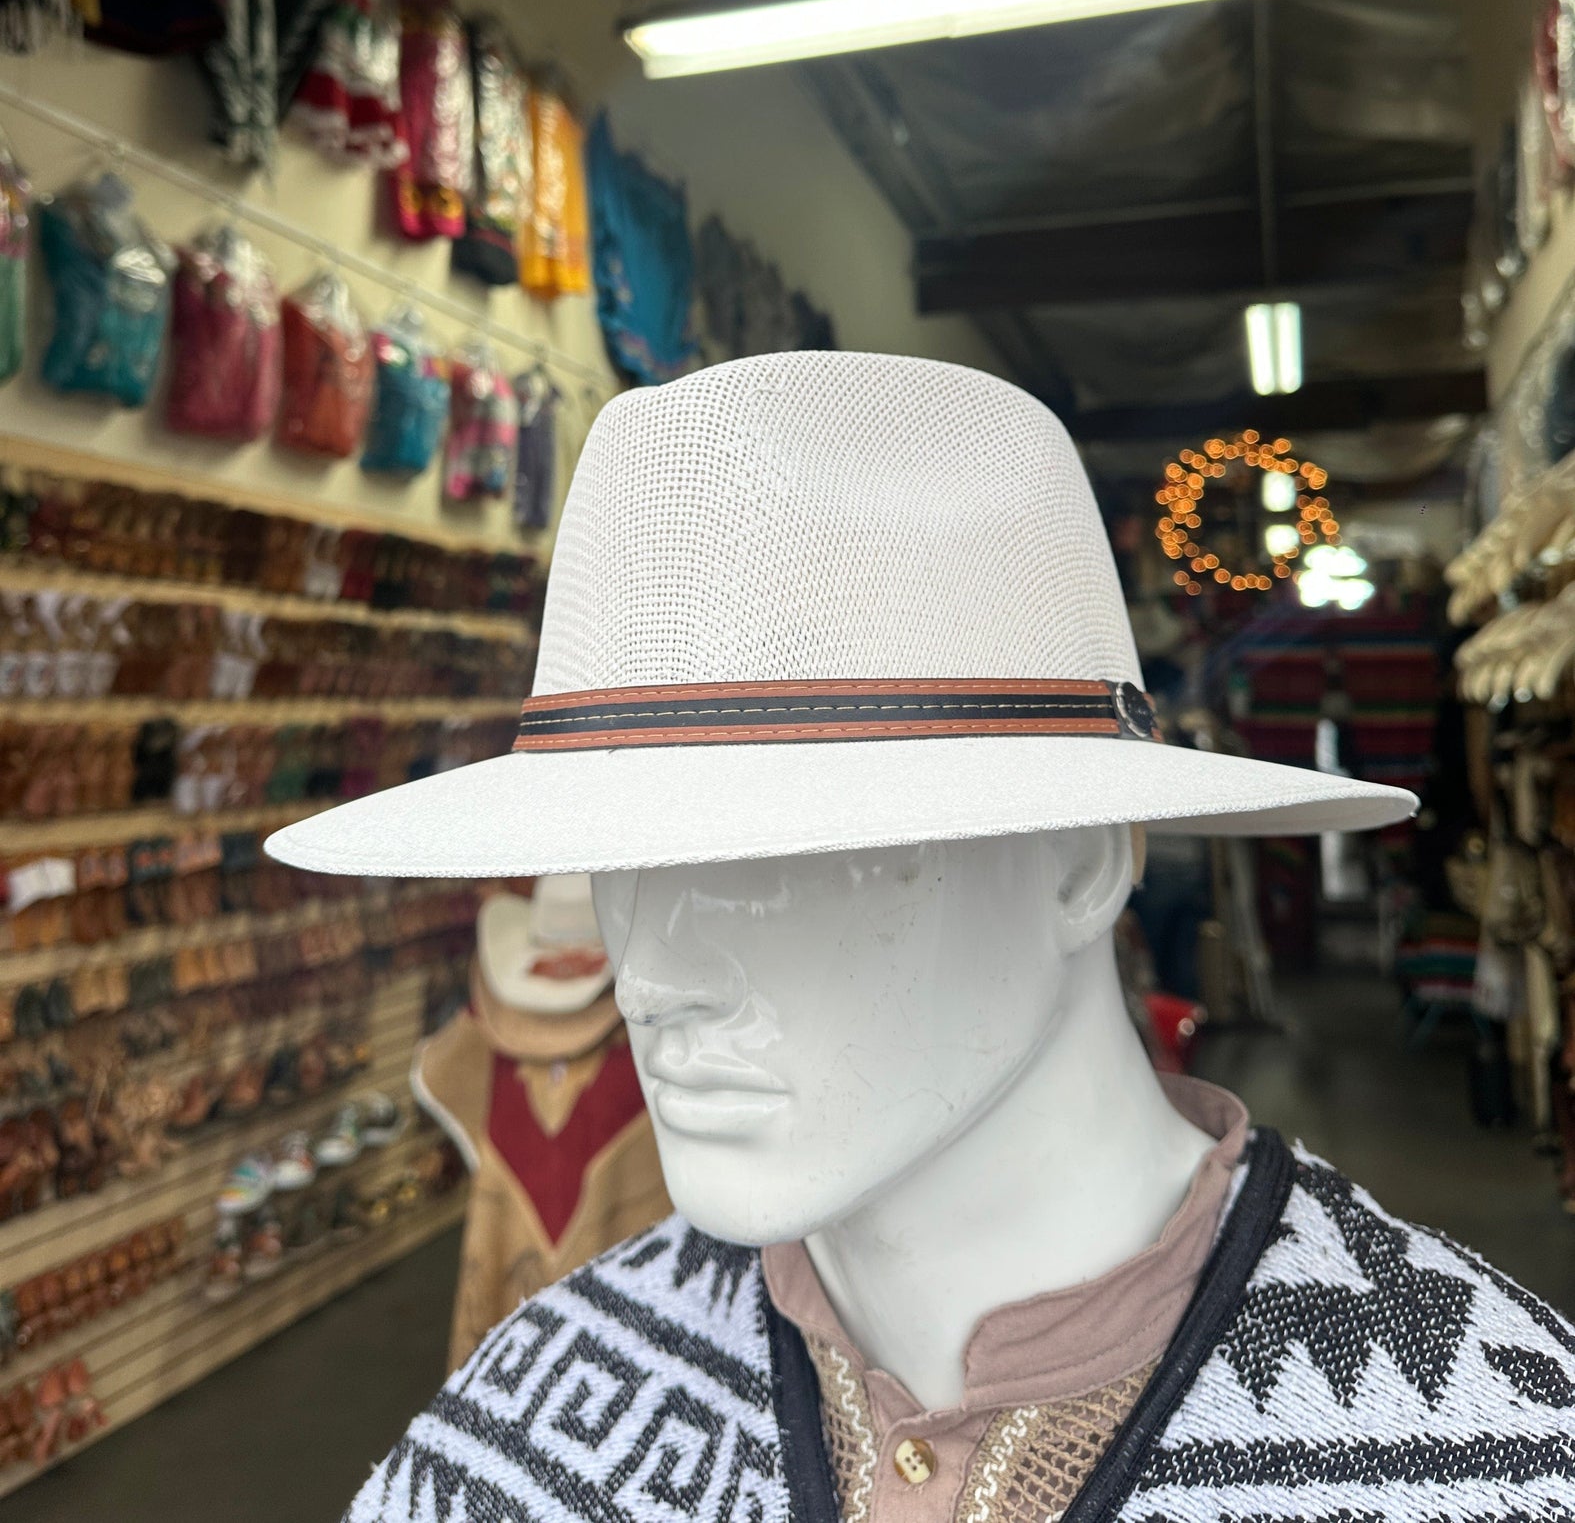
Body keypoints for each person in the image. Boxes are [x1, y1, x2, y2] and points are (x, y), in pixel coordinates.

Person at [274, 353, 1575, 1523]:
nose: (651, 978)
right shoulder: (507, 1440)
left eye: (771, 862)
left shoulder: (1498, 1457)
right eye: (623, 864)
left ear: (1076, 861)